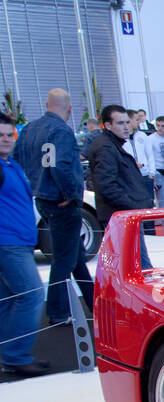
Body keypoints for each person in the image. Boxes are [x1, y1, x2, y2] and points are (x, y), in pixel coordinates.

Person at [14, 88, 92, 325]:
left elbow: (17, 160)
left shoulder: (29, 129)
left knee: (75, 255)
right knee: (64, 260)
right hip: (61, 202)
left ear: (48, 104)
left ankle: (94, 303)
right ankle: (58, 312)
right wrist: (71, 193)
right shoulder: (61, 131)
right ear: (69, 109)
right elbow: (58, 165)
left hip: (43, 199)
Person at [0, 112, 51, 377]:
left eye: (10, 135)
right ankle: (16, 356)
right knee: (31, 295)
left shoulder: (12, 165)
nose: (7, 139)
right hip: (7, 243)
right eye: (1, 136)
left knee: (9, 300)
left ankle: (11, 355)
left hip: (18, 241)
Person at [87, 105, 156, 268]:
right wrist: (132, 205)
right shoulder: (106, 147)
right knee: (137, 267)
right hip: (121, 217)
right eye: (120, 123)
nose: (126, 126)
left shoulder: (112, 145)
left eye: (127, 122)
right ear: (108, 125)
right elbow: (107, 185)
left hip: (124, 215)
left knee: (135, 265)